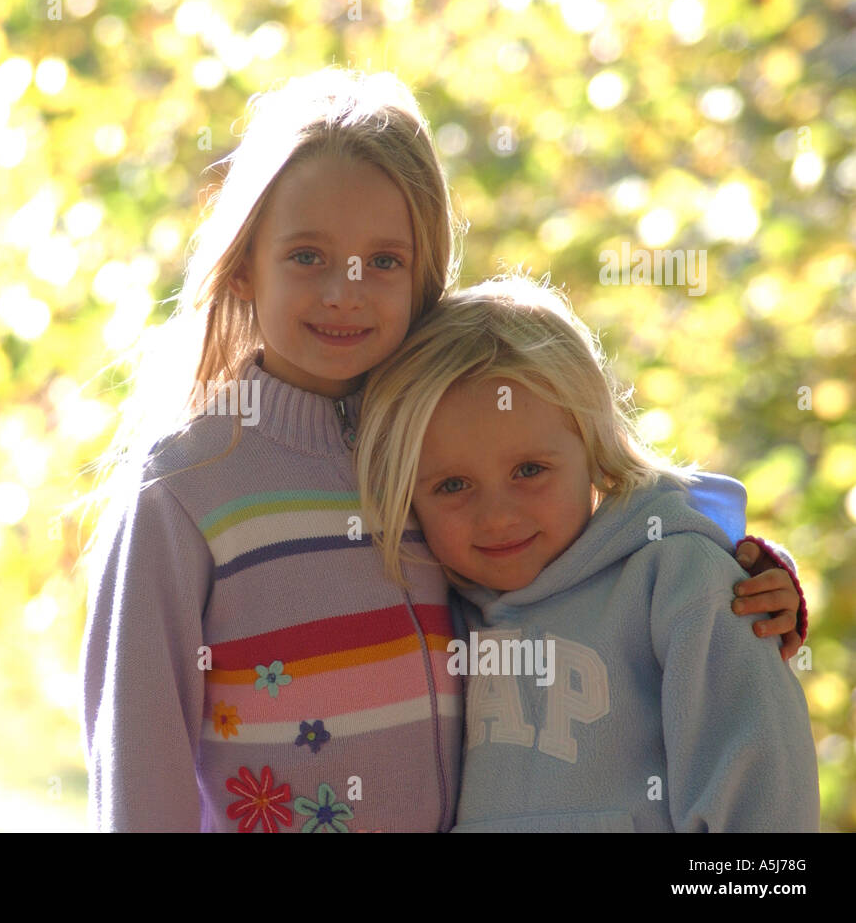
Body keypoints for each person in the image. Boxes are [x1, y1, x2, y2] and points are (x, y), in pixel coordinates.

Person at [80, 68, 804, 832]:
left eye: (384, 261)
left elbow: (597, 529)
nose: (345, 291)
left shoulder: (440, 440)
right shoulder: (186, 488)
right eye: (306, 256)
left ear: (425, 273)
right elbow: (139, 758)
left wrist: (740, 571)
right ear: (243, 263)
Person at [354, 276, 818, 831]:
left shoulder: (679, 579)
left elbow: (763, 789)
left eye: (529, 471)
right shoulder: (433, 612)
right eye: (452, 486)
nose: (497, 517)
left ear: (594, 450)